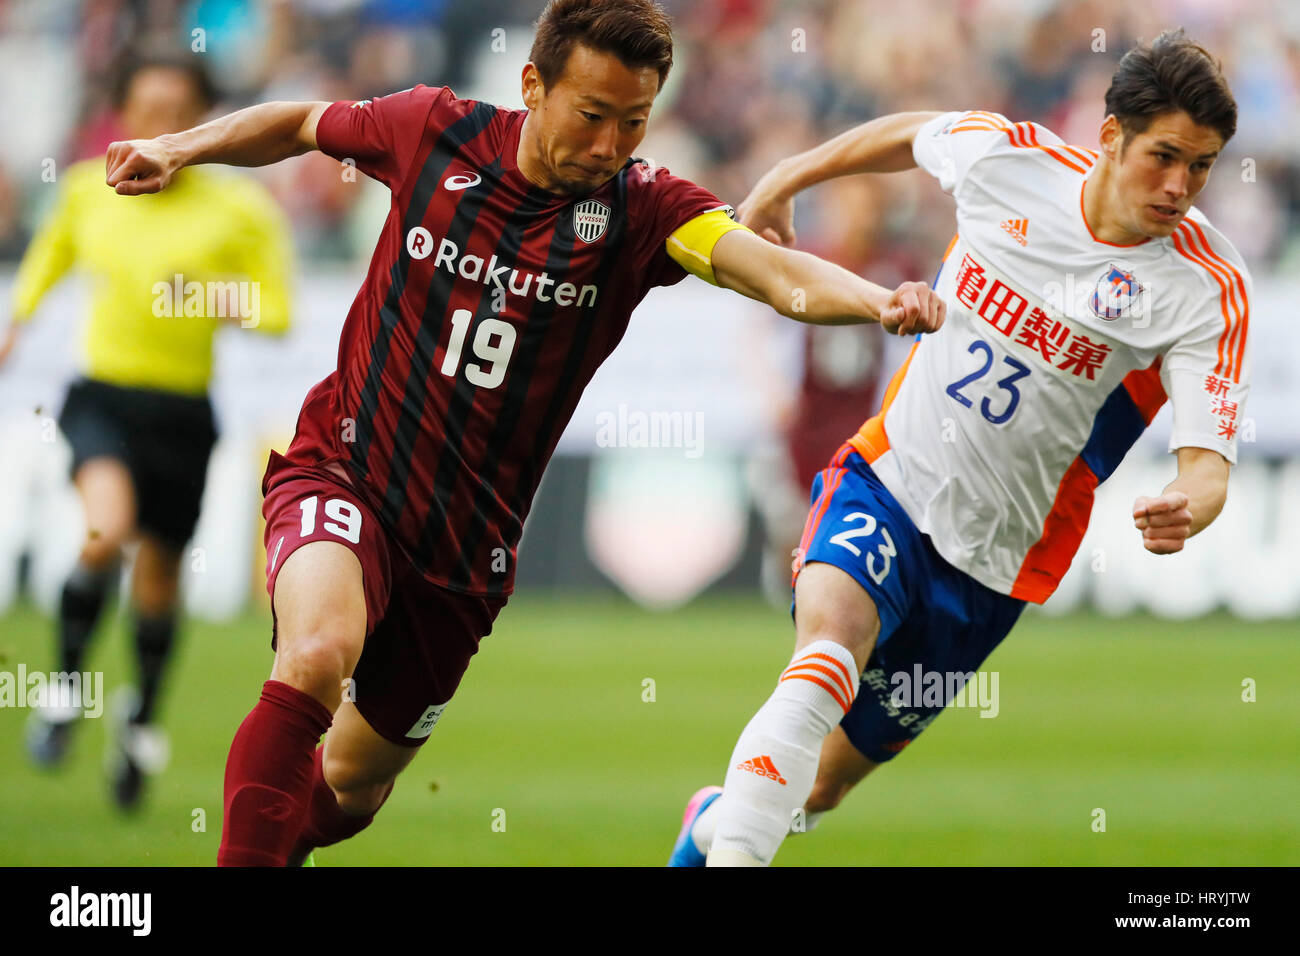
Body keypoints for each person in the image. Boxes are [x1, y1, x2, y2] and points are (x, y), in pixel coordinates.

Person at [104, 0, 944, 865]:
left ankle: (280, 841)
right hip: (345, 471)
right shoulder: (435, 129)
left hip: (466, 552)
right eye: (592, 117)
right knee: (317, 651)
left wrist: (877, 301)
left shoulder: (644, 211)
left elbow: (769, 271)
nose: (611, 145)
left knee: (354, 784)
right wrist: (179, 147)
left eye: (634, 122)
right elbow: (303, 125)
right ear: (532, 86)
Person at [670, 27, 1250, 866]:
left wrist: (1187, 508)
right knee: (825, 655)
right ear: (1112, 135)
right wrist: (784, 179)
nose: (1180, 187)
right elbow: (908, 132)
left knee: (819, 786)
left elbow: (1206, 467)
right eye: (1165, 156)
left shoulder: (1206, 287)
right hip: (889, 478)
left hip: (994, 565)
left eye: (1201, 166)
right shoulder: (1009, 161)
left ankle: (711, 825)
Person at [1, 51, 292, 809]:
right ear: (124, 115)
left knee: (159, 579)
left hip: (184, 411)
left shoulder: (238, 209)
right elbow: (47, 260)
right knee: (105, 531)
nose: (160, 125)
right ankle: (65, 691)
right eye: (147, 109)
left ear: (201, 120)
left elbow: (276, 311)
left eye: (177, 111)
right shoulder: (87, 189)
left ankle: (138, 722)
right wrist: (17, 323)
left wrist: (210, 296)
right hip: (104, 396)